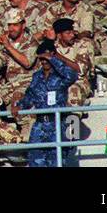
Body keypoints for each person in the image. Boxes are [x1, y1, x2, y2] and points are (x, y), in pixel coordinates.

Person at [12, 39, 80, 167]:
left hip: (57, 124)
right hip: (40, 125)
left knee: (56, 161)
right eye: (42, 59)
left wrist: (53, 58)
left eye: (46, 58)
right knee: (35, 161)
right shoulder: (37, 76)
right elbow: (31, 95)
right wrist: (19, 106)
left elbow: (73, 75)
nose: (44, 61)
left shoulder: (61, 75)